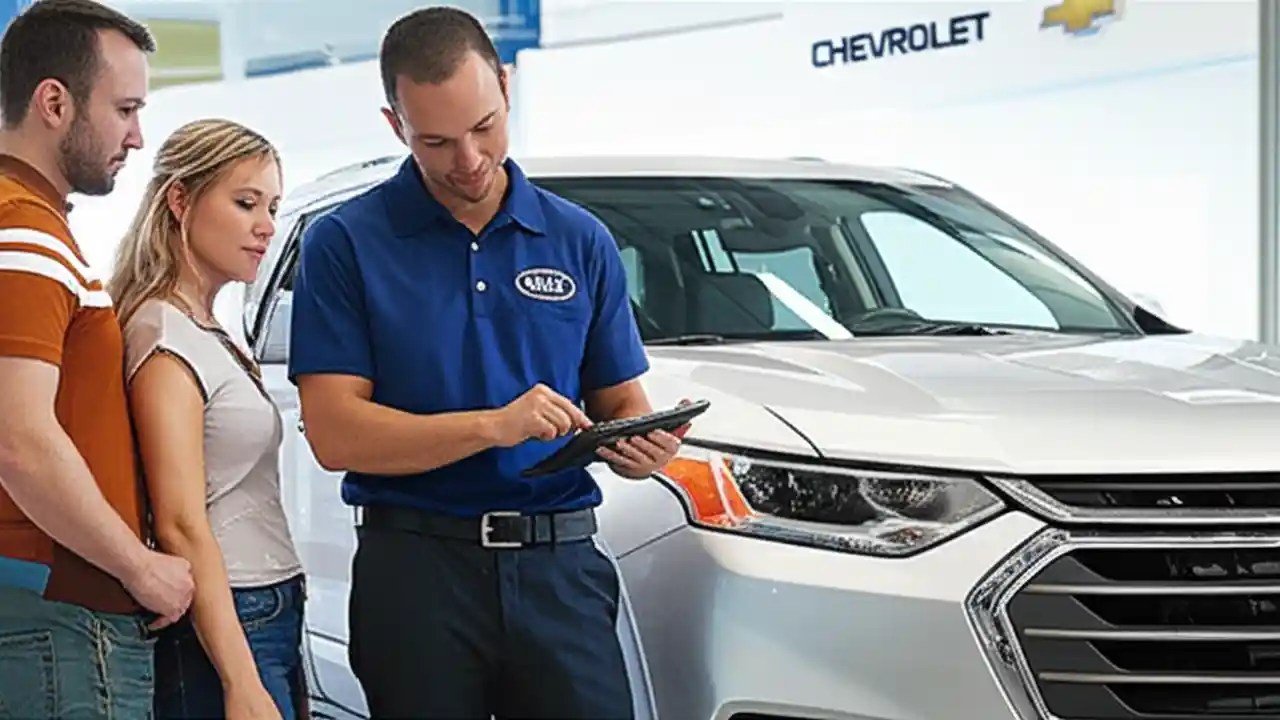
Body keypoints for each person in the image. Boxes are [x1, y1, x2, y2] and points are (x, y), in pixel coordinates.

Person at [287, 6, 688, 719]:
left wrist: (638, 443)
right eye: (435, 141)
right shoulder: (345, 243)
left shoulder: (579, 240)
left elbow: (621, 399)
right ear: (394, 125)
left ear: (506, 86)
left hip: (560, 567)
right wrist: (492, 427)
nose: (468, 161)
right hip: (415, 576)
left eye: (484, 127)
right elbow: (335, 434)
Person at [0, 0, 196, 717]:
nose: (138, 136)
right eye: (125, 109)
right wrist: (140, 568)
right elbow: (19, 440)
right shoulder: (23, 229)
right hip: (55, 616)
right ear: (54, 101)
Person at [107, 117, 307, 720]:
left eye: (271, 206)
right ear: (180, 200)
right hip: (227, 620)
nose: (267, 227)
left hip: (264, 606)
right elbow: (179, 522)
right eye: (246, 203)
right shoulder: (163, 331)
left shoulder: (204, 329)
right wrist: (240, 679)